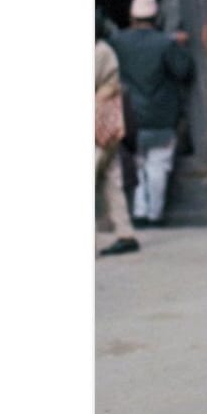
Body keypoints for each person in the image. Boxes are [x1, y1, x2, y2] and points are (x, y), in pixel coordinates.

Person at [110, 0, 194, 227]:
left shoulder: (117, 42)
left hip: (129, 115)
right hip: (161, 115)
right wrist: (181, 46)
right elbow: (183, 70)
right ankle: (155, 214)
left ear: (131, 16)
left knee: (136, 165)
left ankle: (139, 211)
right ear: (156, 17)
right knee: (158, 166)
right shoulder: (165, 43)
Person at [95, 24, 139, 256]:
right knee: (112, 180)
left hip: (98, 121)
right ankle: (125, 231)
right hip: (107, 123)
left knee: (108, 178)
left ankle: (123, 232)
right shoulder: (105, 50)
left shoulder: (99, 52)